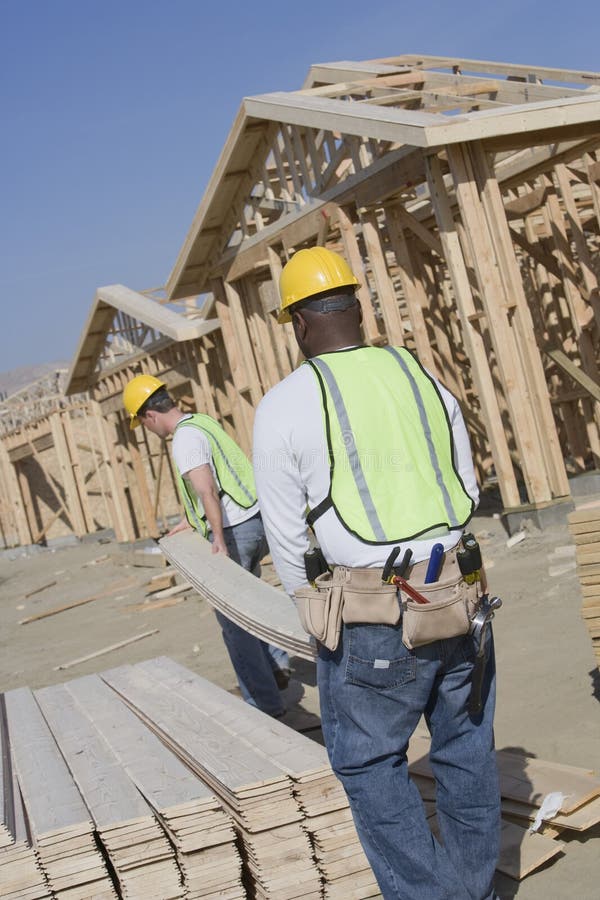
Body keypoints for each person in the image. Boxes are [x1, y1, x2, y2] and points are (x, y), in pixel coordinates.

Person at [252, 247, 501, 899]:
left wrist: (313, 616)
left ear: (299, 324)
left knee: (370, 763)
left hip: (374, 612)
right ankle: (476, 888)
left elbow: (283, 537)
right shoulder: (421, 376)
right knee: (466, 746)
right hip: (457, 589)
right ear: (357, 310)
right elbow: (468, 488)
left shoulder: (284, 404)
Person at [122, 374, 290, 717]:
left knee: (232, 622)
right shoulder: (201, 422)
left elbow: (206, 489)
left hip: (233, 532)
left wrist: (216, 537)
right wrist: (191, 520)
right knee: (252, 602)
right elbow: (213, 484)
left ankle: (265, 705)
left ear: (149, 416)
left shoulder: (184, 440)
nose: (148, 429)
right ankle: (277, 663)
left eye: (143, 423)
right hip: (256, 522)